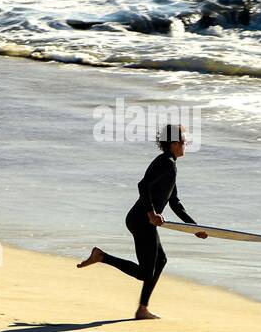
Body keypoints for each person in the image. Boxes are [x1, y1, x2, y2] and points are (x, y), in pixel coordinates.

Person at [77, 124, 207, 319]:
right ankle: (102, 257)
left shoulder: (170, 164)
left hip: (142, 220)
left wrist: (194, 227)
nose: (185, 145)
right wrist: (151, 213)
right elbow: (143, 185)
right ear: (173, 144)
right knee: (146, 273)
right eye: (183, 142)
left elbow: (174, 202)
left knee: (160, 260)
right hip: (141, 220)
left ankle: (142, 308)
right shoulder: (166, 163)